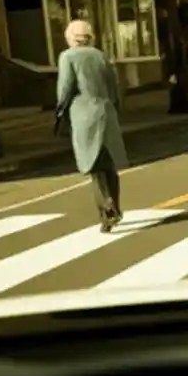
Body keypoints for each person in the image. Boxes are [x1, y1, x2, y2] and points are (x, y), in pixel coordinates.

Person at [56, 20, 129, 232]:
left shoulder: (67, 57)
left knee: (94, 166)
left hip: (84, 115)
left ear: (71, 38)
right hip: (106, 112)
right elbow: (114, 87)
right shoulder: (101, 55)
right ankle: (115, 205)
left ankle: (108, 210)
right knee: (109, 164)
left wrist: (60, 110)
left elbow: (65, 88)